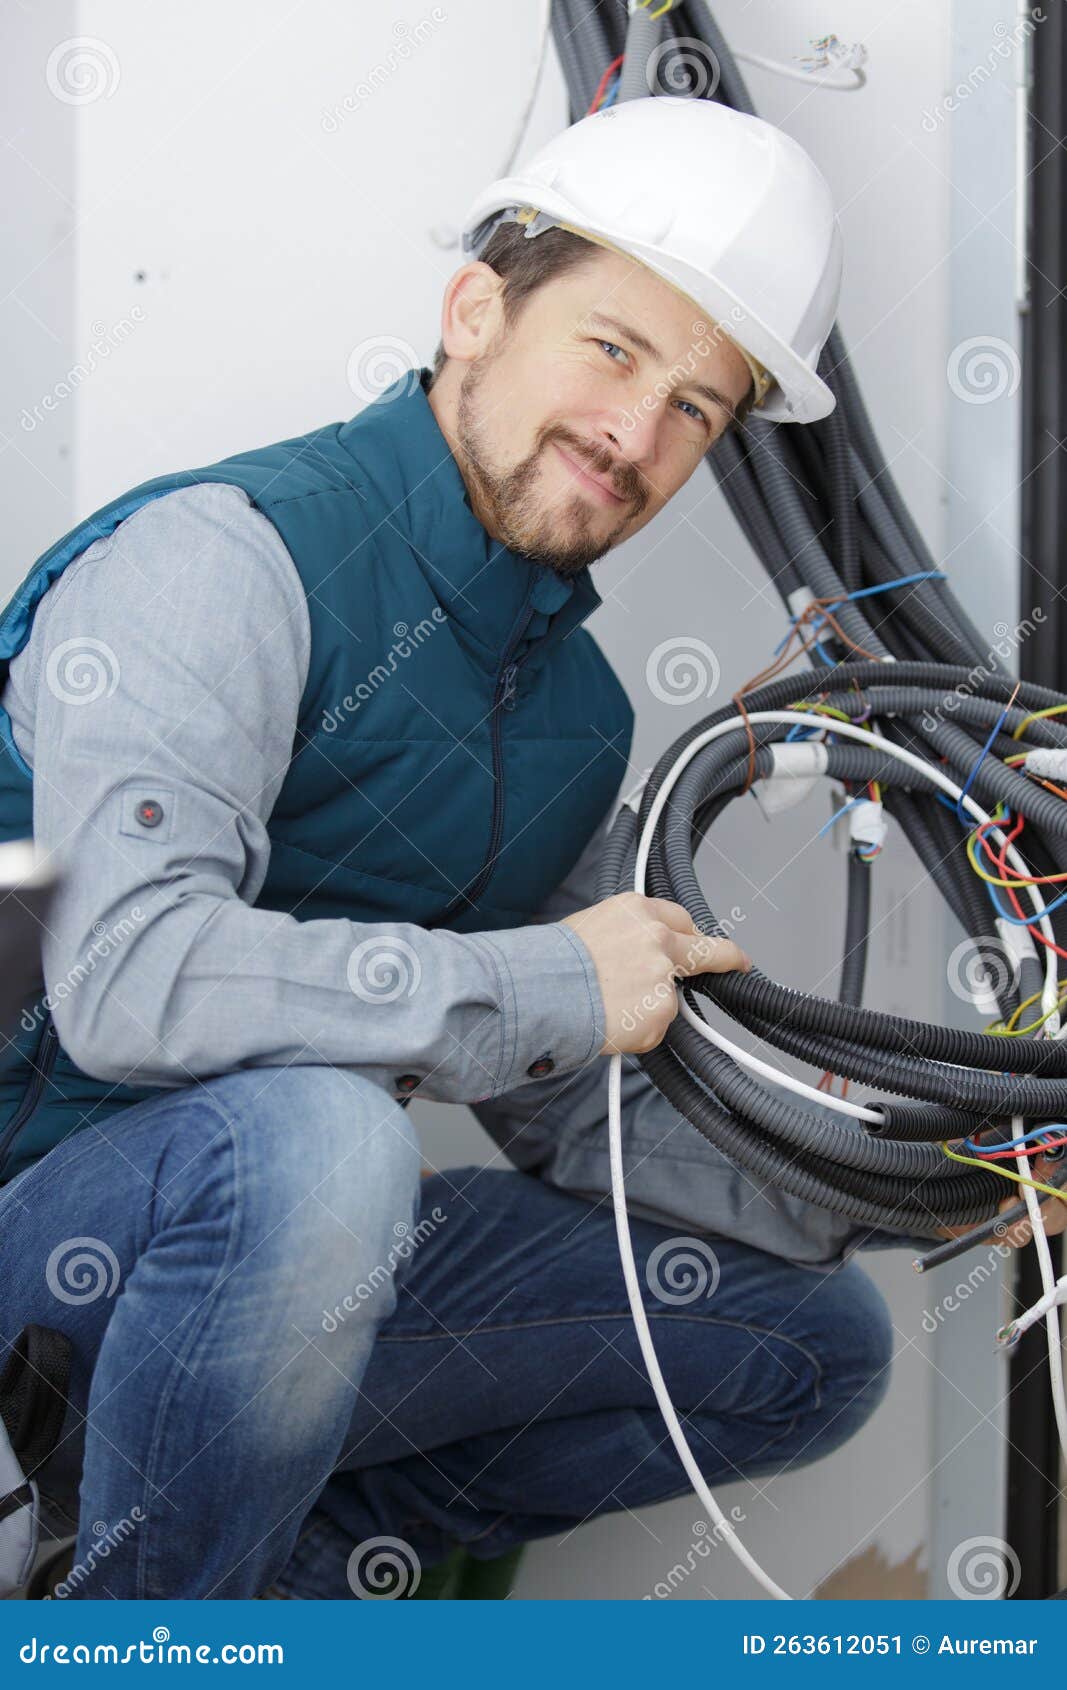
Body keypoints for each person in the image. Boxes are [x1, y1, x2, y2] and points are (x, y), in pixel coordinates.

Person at [0, 96, 930, 1600]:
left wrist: (942, 1175)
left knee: (810, 1341)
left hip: (252, 1310)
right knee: (324, 1142)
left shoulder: (574, 715)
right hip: (37, 1265)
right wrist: (554, 979)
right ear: (477, 312)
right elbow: (126, 975)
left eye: (696, 408)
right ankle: (152, 1635)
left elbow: (578, 1104)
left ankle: (282, 1557)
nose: (635, 435)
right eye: (612, 348)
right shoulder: (224, 561)